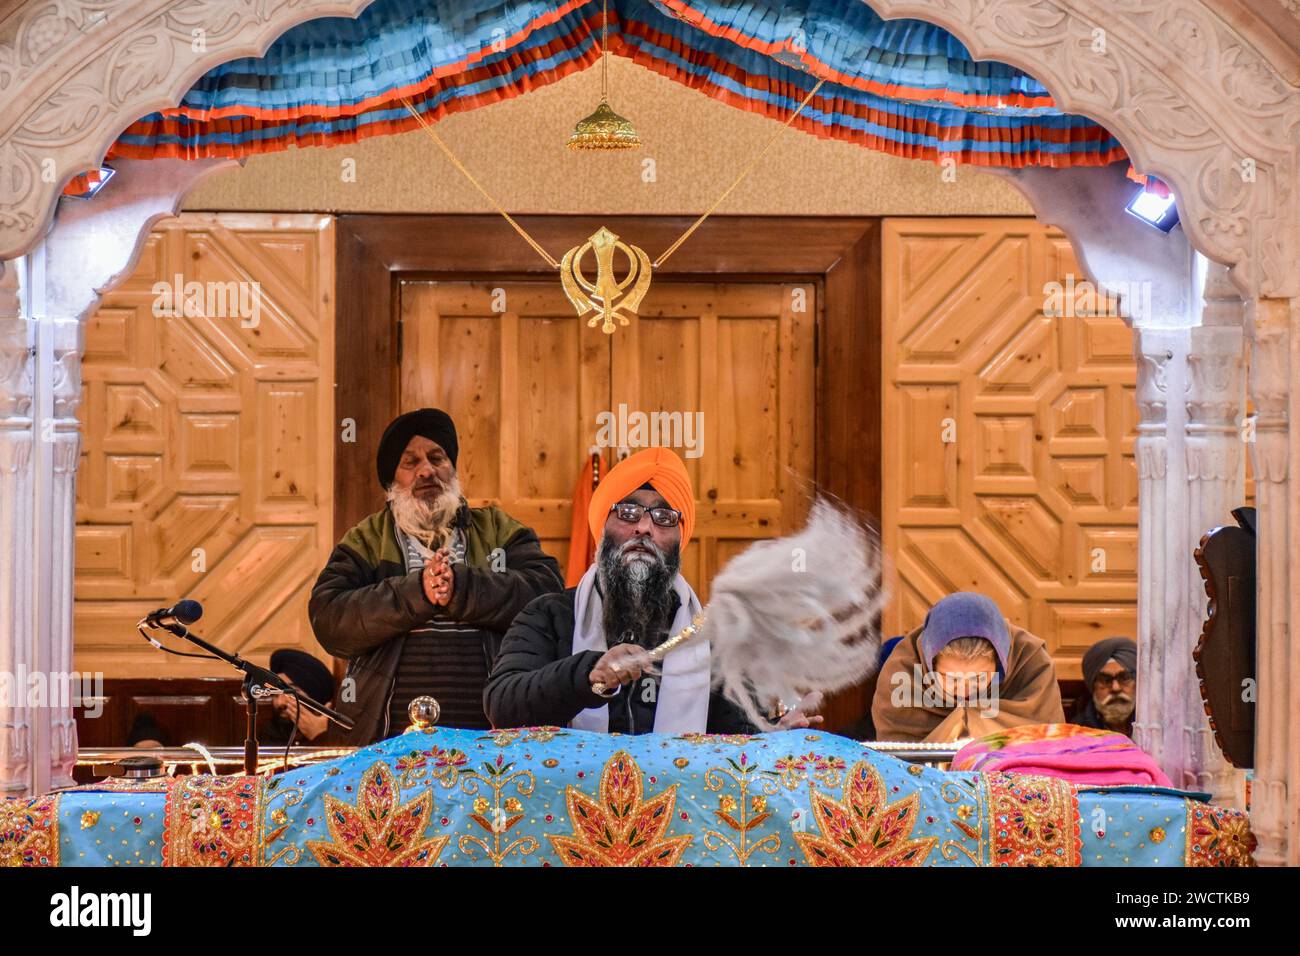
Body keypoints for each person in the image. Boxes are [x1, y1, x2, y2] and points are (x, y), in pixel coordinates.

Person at [484, 447, 821, 734]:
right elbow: (503, 705)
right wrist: (587, 674)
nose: (644, 527)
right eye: (628, 512)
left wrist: (773, 736)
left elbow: (735, 738)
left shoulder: (711, 639)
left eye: (663, 516)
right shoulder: (550, 615)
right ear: (602, 529)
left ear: (678, 538)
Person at [309, 408, 564, 743]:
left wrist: (463, 588)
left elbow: (547, 596)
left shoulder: (498, 529)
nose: (426, 470)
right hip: (385, 743)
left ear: (452, 467)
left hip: (493, 742)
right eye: (410, 462)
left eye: (436, 458)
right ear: (392, 481)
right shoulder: (366, 539)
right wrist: (418, 592)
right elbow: (330, 619)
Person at [871, 592, 1064, 742]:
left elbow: (1046, 744)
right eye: (950, 678)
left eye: (978, 678)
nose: (964, 691)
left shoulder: (1030, 661)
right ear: (930, 665)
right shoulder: (904, 667)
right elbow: (895, 762)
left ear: (1000, 663)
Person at [261, 648, 337, 747]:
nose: (280, 702)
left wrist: (319, 735)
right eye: (275, 694)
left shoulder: (336, 737)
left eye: (291, 693)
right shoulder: (269, 733)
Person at [1073, 636, 1137, 736]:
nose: (1116, 688)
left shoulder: (1156, 728)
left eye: (1124, 678)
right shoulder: (1076, 732)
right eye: (1105, 680)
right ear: (1093, 686)